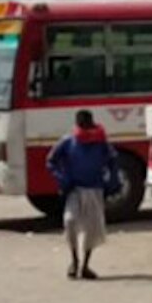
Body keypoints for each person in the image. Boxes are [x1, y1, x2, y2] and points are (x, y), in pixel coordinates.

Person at [46, 110, 121, 280]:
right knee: (70, 222)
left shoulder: (101, 142)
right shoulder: (68, 141)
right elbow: (51, 161)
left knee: (92, 230)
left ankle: (85, 265)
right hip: (75, 189)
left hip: (95, 189)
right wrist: (62, 178)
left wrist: (113, 181)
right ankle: (74, 260)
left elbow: (113, 161)